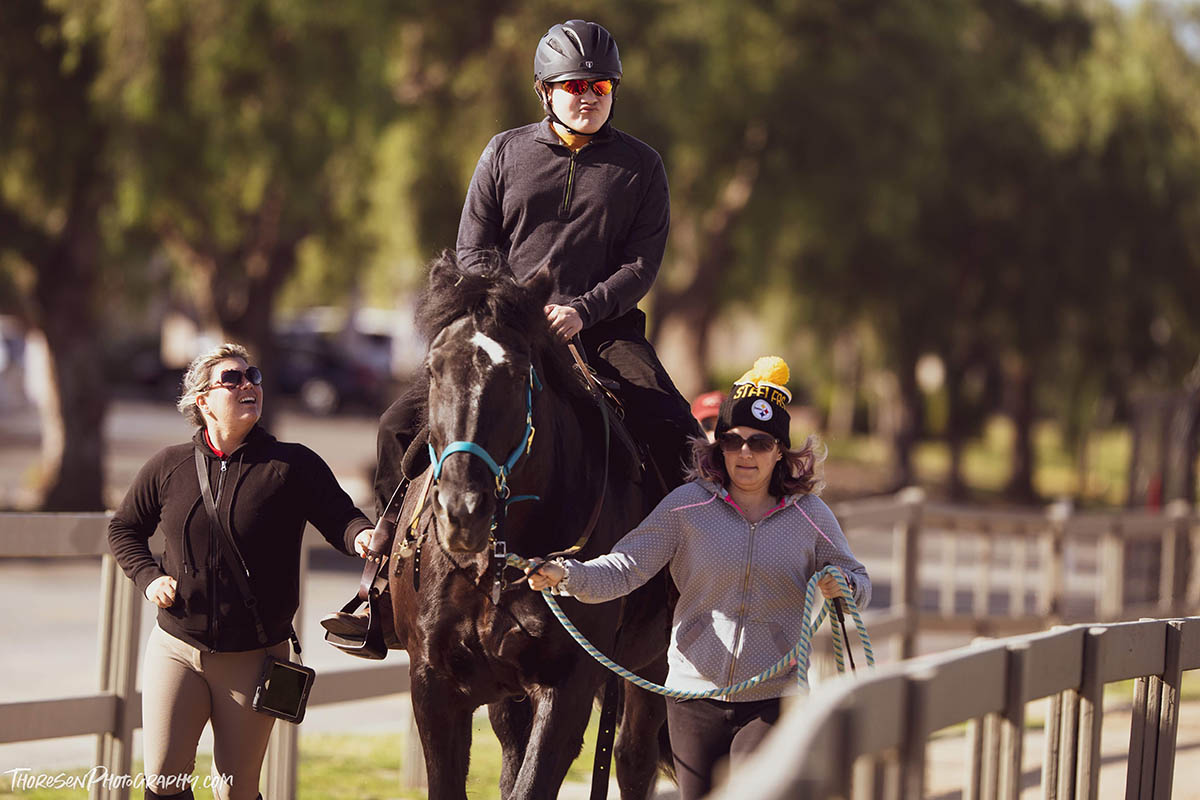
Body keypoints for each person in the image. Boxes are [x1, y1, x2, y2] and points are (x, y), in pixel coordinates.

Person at [325, 19, 701, 645]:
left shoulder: (642, 167)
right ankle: (380, 584)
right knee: (397, 424)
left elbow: (642, 264)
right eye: (574, 84)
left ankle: (673, 587)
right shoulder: (504, 152)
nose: (589, 95)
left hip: (602, 330)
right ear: (544, 90)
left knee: (677, 431)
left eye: (601, 84)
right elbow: (474, 251)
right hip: (504, 329)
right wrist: (511, 311)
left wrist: (583, 308)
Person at [525, 356, 871, 800]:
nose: (745, 453)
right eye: (733, 441)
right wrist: (567, 575)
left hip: (772, 700)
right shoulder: (686, 507)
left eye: (761, 443)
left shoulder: (811, 516)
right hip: (692, 699)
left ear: (781, 450)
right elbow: (625, 566)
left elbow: (857, 578)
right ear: (718, 446)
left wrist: (843, 587)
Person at [108, 344, 373, 800]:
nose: (248, 384)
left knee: (235, 790)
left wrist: (361, 536)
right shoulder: (167, 466)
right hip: (176, 646)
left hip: (255, 656)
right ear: (202, 401)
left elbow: (340, 517)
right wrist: (149, 578)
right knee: (163, 782)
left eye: (252, 375)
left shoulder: (293, 465)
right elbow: (124, 529)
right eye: (232, 379)